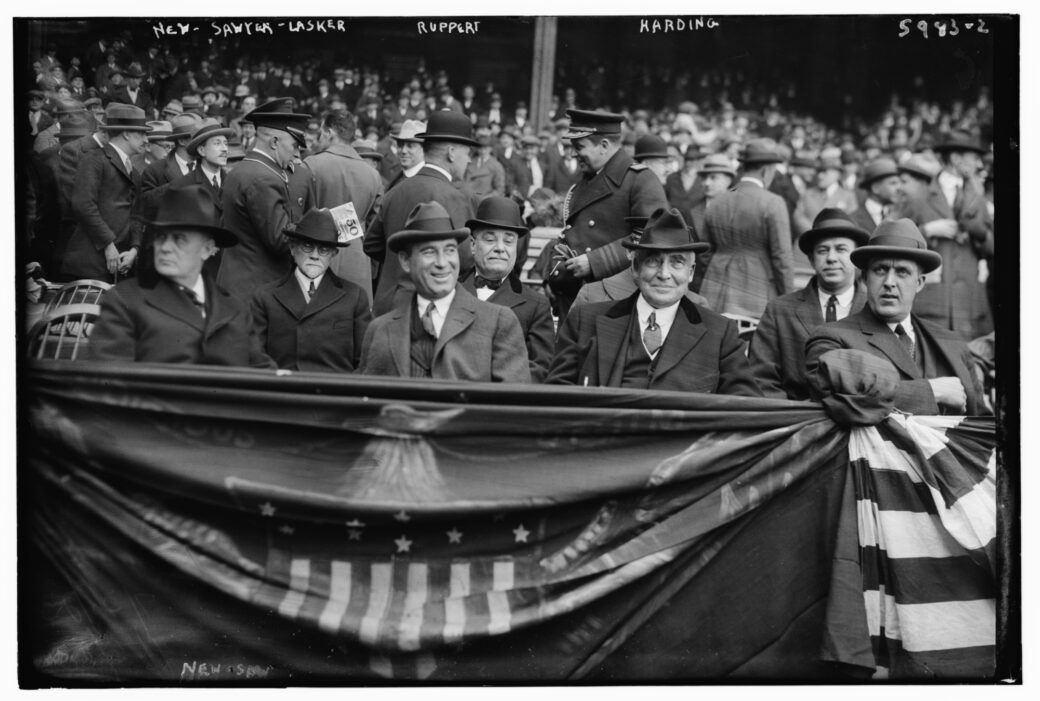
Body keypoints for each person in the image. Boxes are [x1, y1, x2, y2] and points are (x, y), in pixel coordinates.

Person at [545, 207, 759, 395]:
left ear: (691, 272)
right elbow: (557, 395)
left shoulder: (720, 333)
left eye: (676, 263)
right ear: (636, 268)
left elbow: (745, 405)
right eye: (654, 262)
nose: (664, 274)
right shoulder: (586, 321)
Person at [805, 219, 986, 415]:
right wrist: (930, 392)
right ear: (865, 278)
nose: (889, 282)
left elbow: (981, 425)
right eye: (880, 270)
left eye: (902, 272)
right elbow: (835, 403)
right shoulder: (831, 338)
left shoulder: (953, 344)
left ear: (919, 283)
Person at [88, 183, 273, 367]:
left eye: (179, 239)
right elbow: (110, 385)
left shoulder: (235, 309)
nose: (165, 248)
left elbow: (263, 375)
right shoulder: (125, 301)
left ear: (207, 249)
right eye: (160, 237)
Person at [359, 201, 530, 383]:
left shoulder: (499, 322)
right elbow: (369, 401)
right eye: (429, 252)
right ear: (405, 261)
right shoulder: (380, 329)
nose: (442, 263)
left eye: (449, 250)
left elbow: (512, 404)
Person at [544, 108, 668, 319]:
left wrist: (595, 262)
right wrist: (554, 277)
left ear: (604, 146)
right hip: (574, 296)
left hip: (617, 301)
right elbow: (568, 235)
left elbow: (653, 237)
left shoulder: (641, 180)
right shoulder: (584, 182)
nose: (574, 153)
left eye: (579, 147)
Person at [365, 110, 478, 317]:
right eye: (467, 152)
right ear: (451, 152)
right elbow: (465, 258)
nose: (469, 160)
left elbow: (372, 244)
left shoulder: (395, 190)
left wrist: (403, 261)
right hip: (427, 310)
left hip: (386, 306)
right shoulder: (453, 196)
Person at [749, 208, 869, 400]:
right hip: (798, 420)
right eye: (823, 250)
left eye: (841, 249)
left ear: (856, 259)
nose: (831, 258)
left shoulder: (873, 308)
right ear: (812, 260)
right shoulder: (780, 310)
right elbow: (761, 379)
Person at [250, 208, 372, 373]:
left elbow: (364, 362)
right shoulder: (265, 297)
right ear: (293, 249)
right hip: (285, 392)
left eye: (324, 250)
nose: (315, 256)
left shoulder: (354, 297)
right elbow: (256, 357)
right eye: (308, 246)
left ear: (333, 254)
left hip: (335, 394)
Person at [898, 131, 993, 340]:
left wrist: (978, 232)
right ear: (956, 158)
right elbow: (895, 240)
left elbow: (992, 248)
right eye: (974, 158)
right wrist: (928, 230)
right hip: (932, 301)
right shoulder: (919, 197)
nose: (979, 165)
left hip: (969, 303)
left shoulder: (977, 198)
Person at [216, 98, 311, 300]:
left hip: (239, 283)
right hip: (257, 289)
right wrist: (316, 227)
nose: (296, 153)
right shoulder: (264, 177)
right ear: (274, 142)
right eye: (294, 145)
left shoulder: (242, 169)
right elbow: (280, 240)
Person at [290, 109, 384, 304]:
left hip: (315, 257)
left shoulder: (311, 165)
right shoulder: (372, 174)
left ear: (329, 133)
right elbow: (376, 227)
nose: (318, 139)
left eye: (321, 134)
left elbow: (296, 215)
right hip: (357, 260)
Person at [458, 196, 555, 382]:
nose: (500, 248)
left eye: (509, 241)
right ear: (472, 244)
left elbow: (540, 368)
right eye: (490, 239)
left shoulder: (536, 305)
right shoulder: (452, 291)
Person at [697, 138, 795, 318]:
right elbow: (782, 258)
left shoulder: (716, 202)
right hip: (756, 288)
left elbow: (704, 255)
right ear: (767, 170)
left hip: (715, 287)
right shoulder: (773, 202)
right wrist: (788, 299)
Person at [60, 103, 151, 281]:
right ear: (126, 133)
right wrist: (108, 245)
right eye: (141, 134)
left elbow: (137, 214)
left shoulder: (134, 171)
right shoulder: (94, 160)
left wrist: (134, 249)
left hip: (121, 264)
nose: (146, 140)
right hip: (90, 265)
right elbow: (83, 205)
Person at [385, 119, 426, 190]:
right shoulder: (399, 176)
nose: (403, 151)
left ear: (424, 148)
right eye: (400, 145)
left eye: (410, 146)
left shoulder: (427, 180)